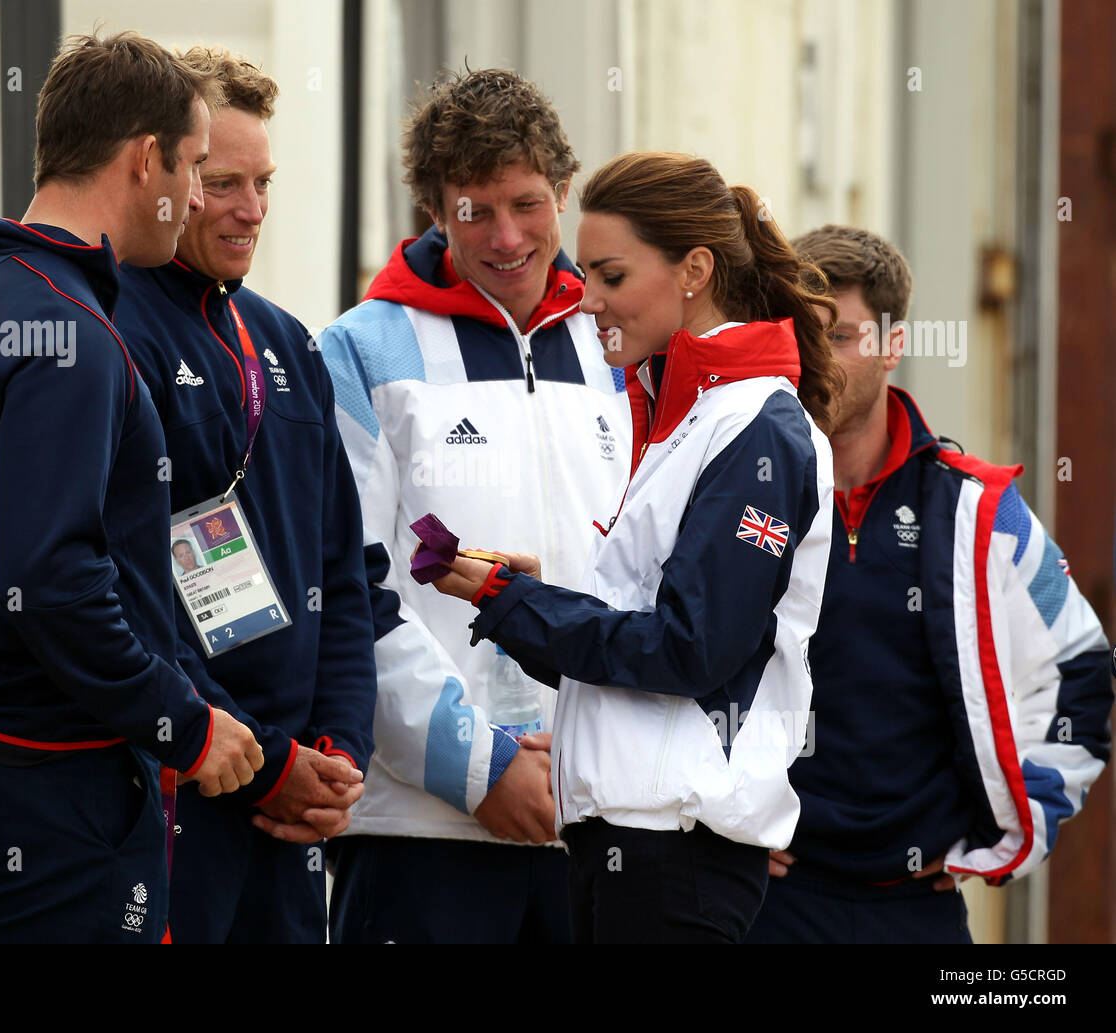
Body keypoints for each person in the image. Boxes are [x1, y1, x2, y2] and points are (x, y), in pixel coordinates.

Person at [0, 31, 265, 945]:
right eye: (191, 167)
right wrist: (183, 723)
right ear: (146, 161)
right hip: (49, 774)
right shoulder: (71, 330)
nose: (191, 199)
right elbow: (53, 581)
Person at [429, 151, 842, 944]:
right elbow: (642, 635)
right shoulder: (685, 408)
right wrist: (521, 595)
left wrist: (512, 603)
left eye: (610, 276)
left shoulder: (753, 423)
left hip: (674, 850)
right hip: (627, 840)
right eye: (584, 275)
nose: (587, 302)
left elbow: (689, 650)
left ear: (695, 268)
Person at [319, 68, 632, 944]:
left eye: (528, 204)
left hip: (601, 817)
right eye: (475, 210)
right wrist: (480, 769)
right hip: (420, 836)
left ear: (565, 191)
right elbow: (349, 588)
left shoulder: (621, 342)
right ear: (434, 207)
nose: (506, 236)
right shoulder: (358, 351)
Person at [742, 225, 1112, 944]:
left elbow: (1081, 670)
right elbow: (666, 658)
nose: (818, 361)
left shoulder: (977, 512)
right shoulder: (741, 488)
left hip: (917, 905)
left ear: (892, 345)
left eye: (843, 337)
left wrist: (1009, 830)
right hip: (769, 898)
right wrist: (722, 816)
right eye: (802, 336)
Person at [112, 47, 376, 944]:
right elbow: (115, 593)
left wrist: (340, 752)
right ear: (170, 172)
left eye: (264, 182)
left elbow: (343, 575)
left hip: (293, 807)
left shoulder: (288, 342)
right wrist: (264, 762)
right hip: (180, 784)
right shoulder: (109, 329)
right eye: (222, 182)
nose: (252, 209)